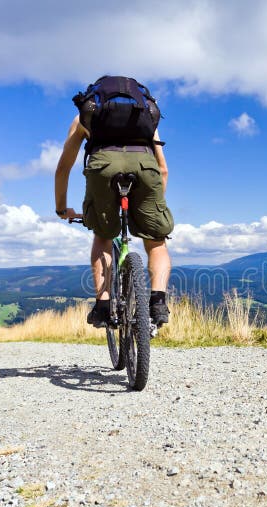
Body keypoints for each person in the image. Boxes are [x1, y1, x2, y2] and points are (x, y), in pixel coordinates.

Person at [54, 76, 174, 327]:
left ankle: (103, 304)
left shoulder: (85, 118)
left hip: (102, 168)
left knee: (103, 235)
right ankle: (158, 302)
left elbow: (63, 168)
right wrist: (154, 206)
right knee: (156, 241)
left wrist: (62, 209)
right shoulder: (145, 117)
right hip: (145, 167)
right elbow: (163, 169)